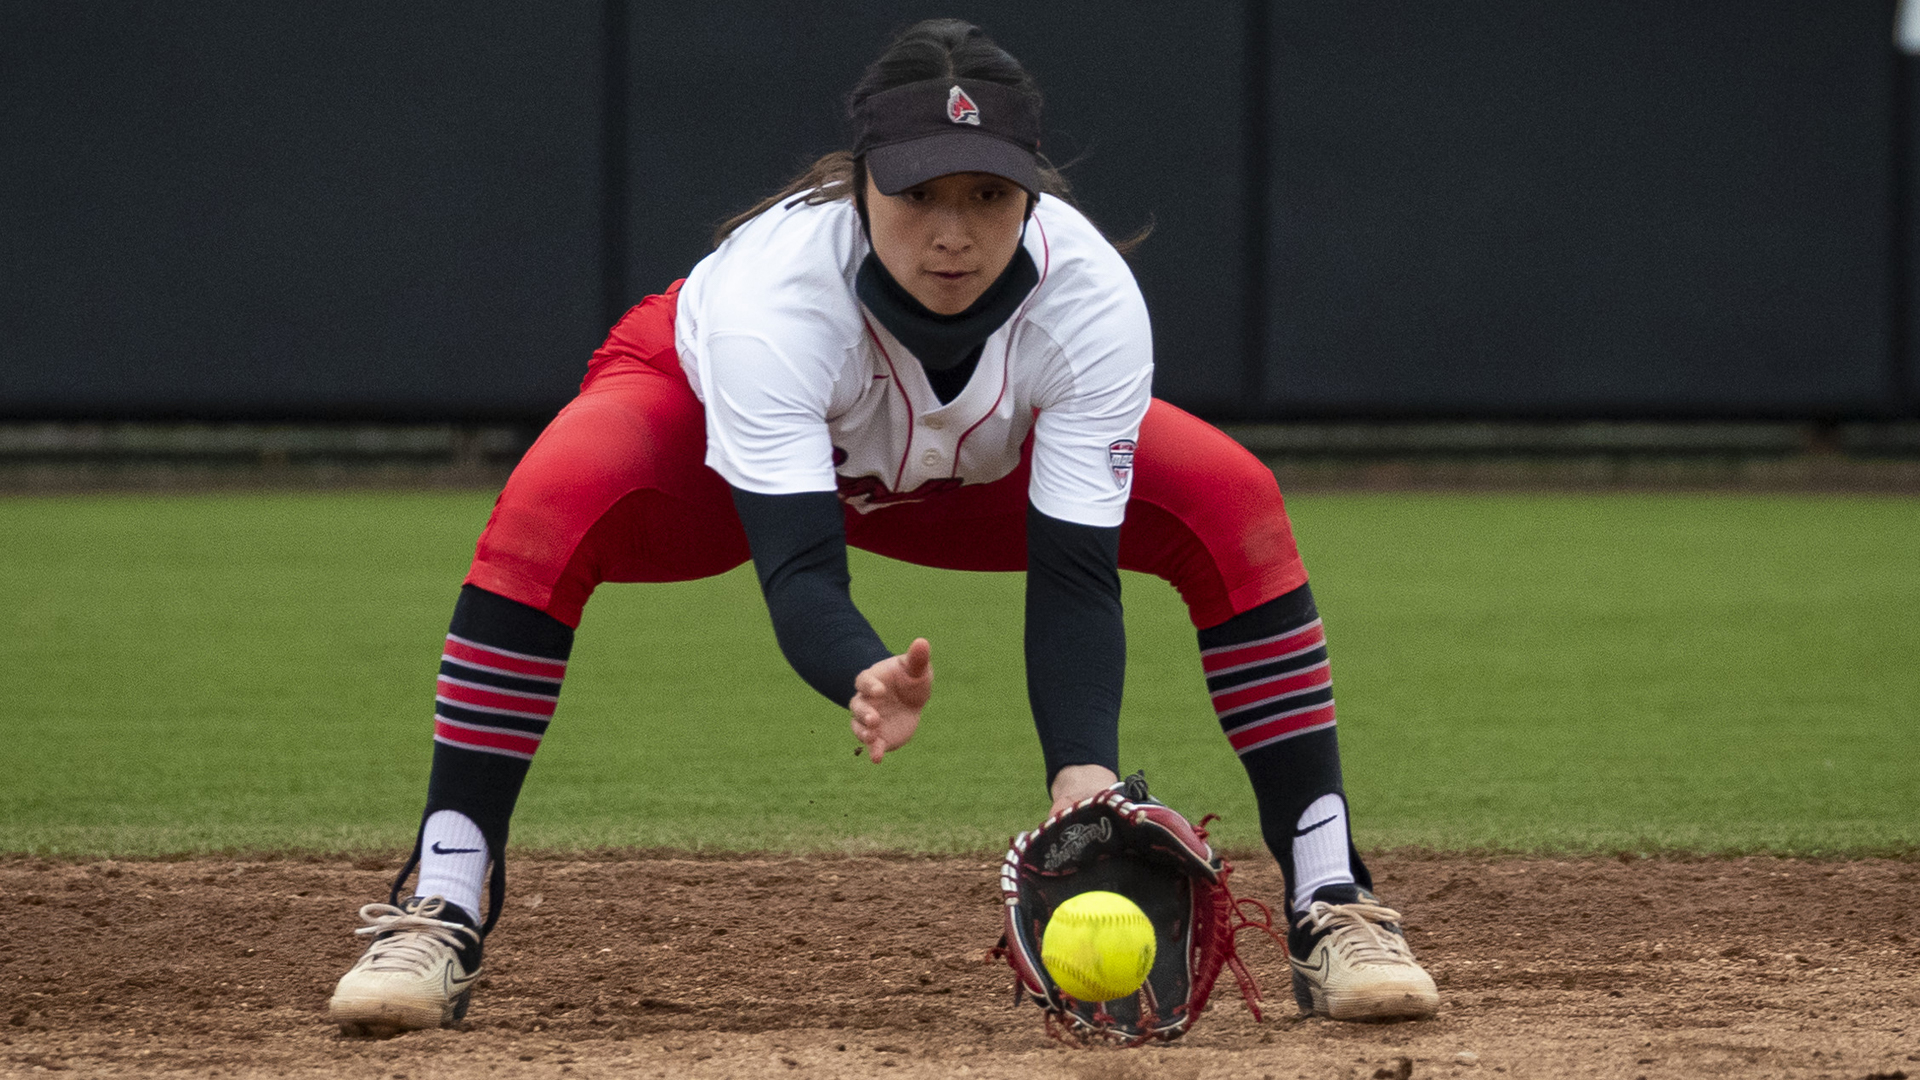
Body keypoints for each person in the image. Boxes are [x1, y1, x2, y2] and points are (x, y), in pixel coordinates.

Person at [327, 18, 1439, 1036]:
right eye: (919, 195)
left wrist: (1082, 776)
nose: (953, 235)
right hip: (712, 435)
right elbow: (801, 568)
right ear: (862, 185)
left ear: (1032, 197)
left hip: (970, 470)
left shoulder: (1089, 298)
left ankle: (1331, 895)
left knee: (1231, 496)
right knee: (550, 499)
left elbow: (1073, 573)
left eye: (989, 198)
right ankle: (446, 893)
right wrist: (860, 669)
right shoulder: (780, 304)